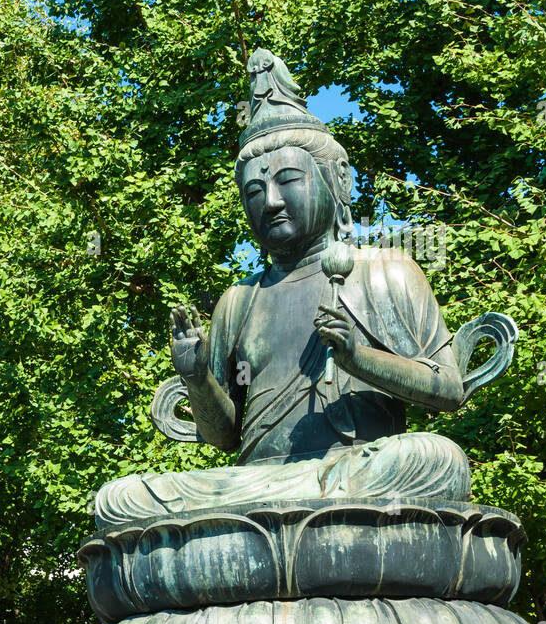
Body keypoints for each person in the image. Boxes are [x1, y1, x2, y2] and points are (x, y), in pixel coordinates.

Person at [94, 49, 469, 527]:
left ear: (336, 181)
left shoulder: (384, 270)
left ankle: (281, 523)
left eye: (287, 180)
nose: (270, 202)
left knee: (435, 458)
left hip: (360, 472)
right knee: (121, 500)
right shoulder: (240, 300)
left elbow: (448, 389)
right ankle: (282, 520)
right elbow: (223, 436)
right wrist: (197, 379)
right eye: (253, 192)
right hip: (258, 483)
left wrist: (359, 359)